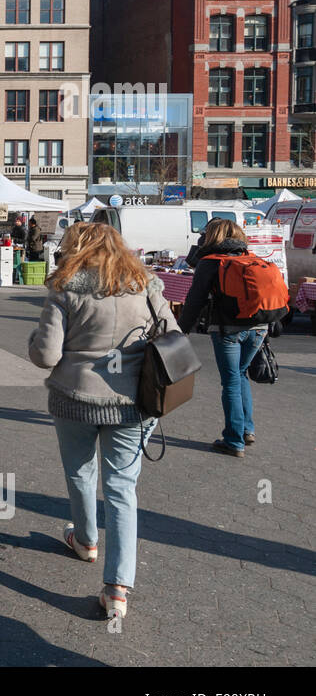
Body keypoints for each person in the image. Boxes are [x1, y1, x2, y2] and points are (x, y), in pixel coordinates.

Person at [28, 222, 174, 620]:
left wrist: (33, 341)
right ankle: (117, 588)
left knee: (79, 472)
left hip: (76, 396)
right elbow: (172, 335)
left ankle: (87, 540)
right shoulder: (145, 283)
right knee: (123, 490)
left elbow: (45, 355)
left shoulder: (65, 286)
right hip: (133, 401)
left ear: (74, 248)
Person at [178, 218, 271, 456]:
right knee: (240, 375)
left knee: (230, 381)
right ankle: (247, 430)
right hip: (259, 327)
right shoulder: (252, 257)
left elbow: (195, 300)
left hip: (227, 329)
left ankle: (234, 440)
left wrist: (181, 330)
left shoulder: (209, 262)